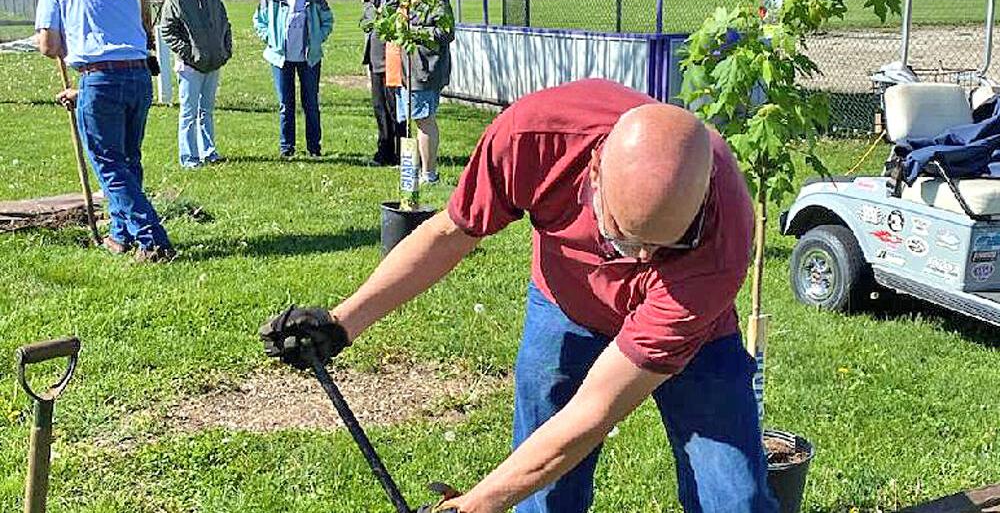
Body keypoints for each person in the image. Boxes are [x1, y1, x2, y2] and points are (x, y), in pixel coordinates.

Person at [260, 78, 777, 513]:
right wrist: (342, 322)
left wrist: (477, 504)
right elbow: (451, 234)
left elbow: (596, 410)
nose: (640, 261)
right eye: (622, 238)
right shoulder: (535, 137)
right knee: (545, 496)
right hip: (565, 308)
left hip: (698, 339)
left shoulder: (722, 231)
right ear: (592, 174)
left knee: (736, 497)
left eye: (665, 246)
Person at [36, 0, 175, 263]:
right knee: (128, 161)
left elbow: (48, 46)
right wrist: (84, 92)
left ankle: (152, 240)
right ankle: (121, 234)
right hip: (137, 76)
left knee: (110, 165)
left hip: (101, 78)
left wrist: (88, 82)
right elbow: (116, 38)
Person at [253, 0, 334, 158]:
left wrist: (318, 39)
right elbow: (259, 20)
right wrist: (270, 38)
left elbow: (328, 20)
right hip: (281, 59)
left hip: (309, 59)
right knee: (285, 104)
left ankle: (314, 148)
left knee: (311, 104)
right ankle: (286, 148)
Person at [160, 0, 233, 169]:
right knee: (188, 114)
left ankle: (208, 152)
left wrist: (225, 51)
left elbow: (225, 24)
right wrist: (190, 54)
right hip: (189, 68)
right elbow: (167, 31)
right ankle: (189, 158)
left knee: (206, 111)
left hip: (213, 63)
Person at [393, 0, 453, 183]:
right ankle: (413, 172)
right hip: (404, 69)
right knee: (413, 120)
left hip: (424, 70)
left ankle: (429, 174)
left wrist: (414, 31)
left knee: (424, 120)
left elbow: (446, 32)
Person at [360, 0, 404, 167]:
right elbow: (366, 24)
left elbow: (381, 20)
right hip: (376, 59)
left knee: (395, 110)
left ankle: (402, 154)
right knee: (380, 108)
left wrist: (366, 3)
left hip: (391, 60)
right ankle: (384, 151)